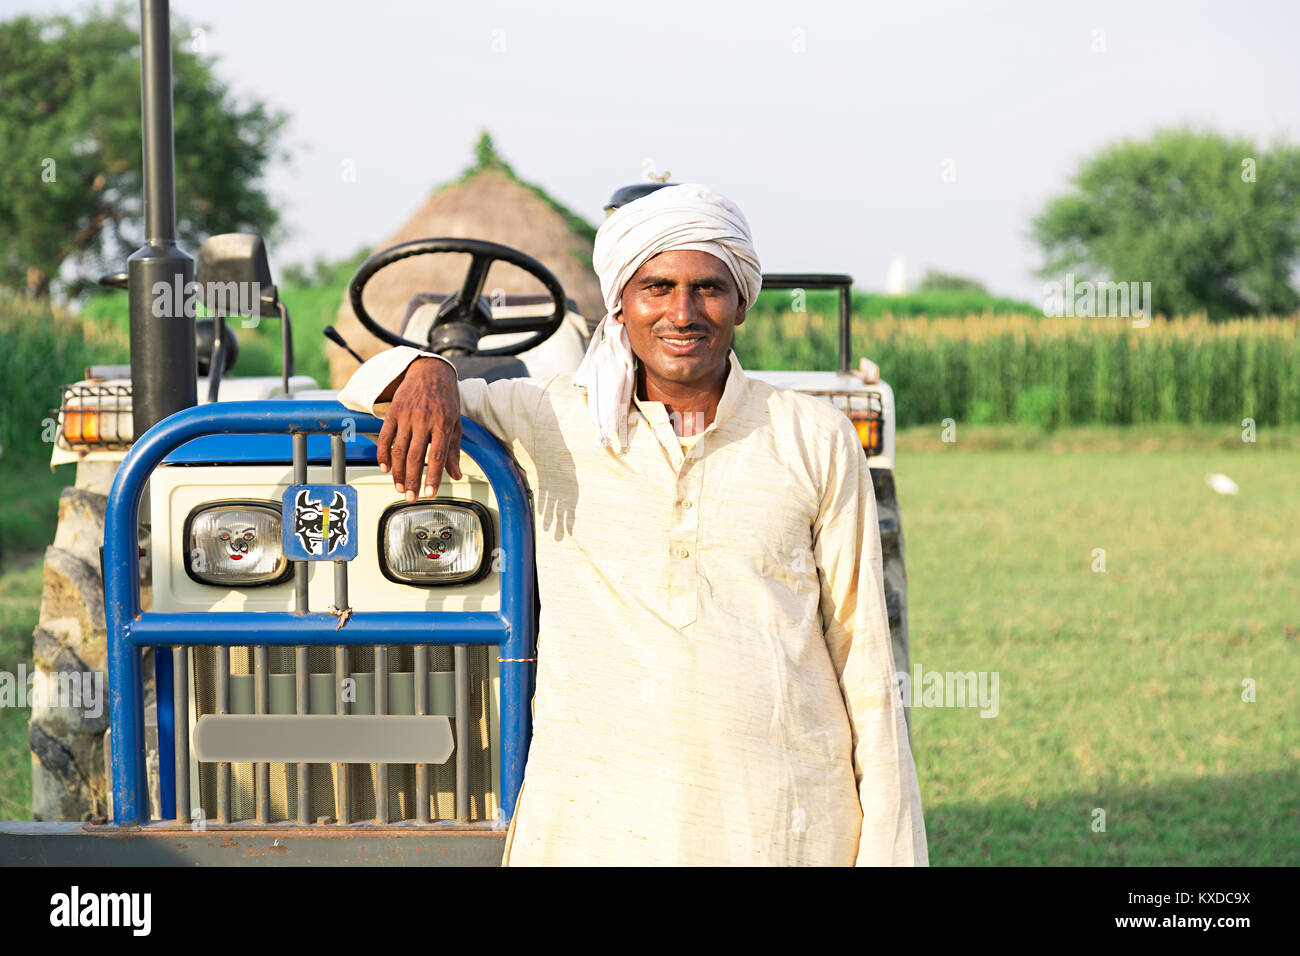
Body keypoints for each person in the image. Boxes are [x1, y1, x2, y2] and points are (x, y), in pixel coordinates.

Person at [338, 183, 928, 866]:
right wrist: (427, 367)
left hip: (782, 820)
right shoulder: (552, 418)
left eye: (708, 288)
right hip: (599, 825)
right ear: (621, 301)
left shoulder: (813, 437)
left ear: (741, 300)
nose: (683, 312)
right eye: (658, 287)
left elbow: (866, 663)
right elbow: (361, 387)